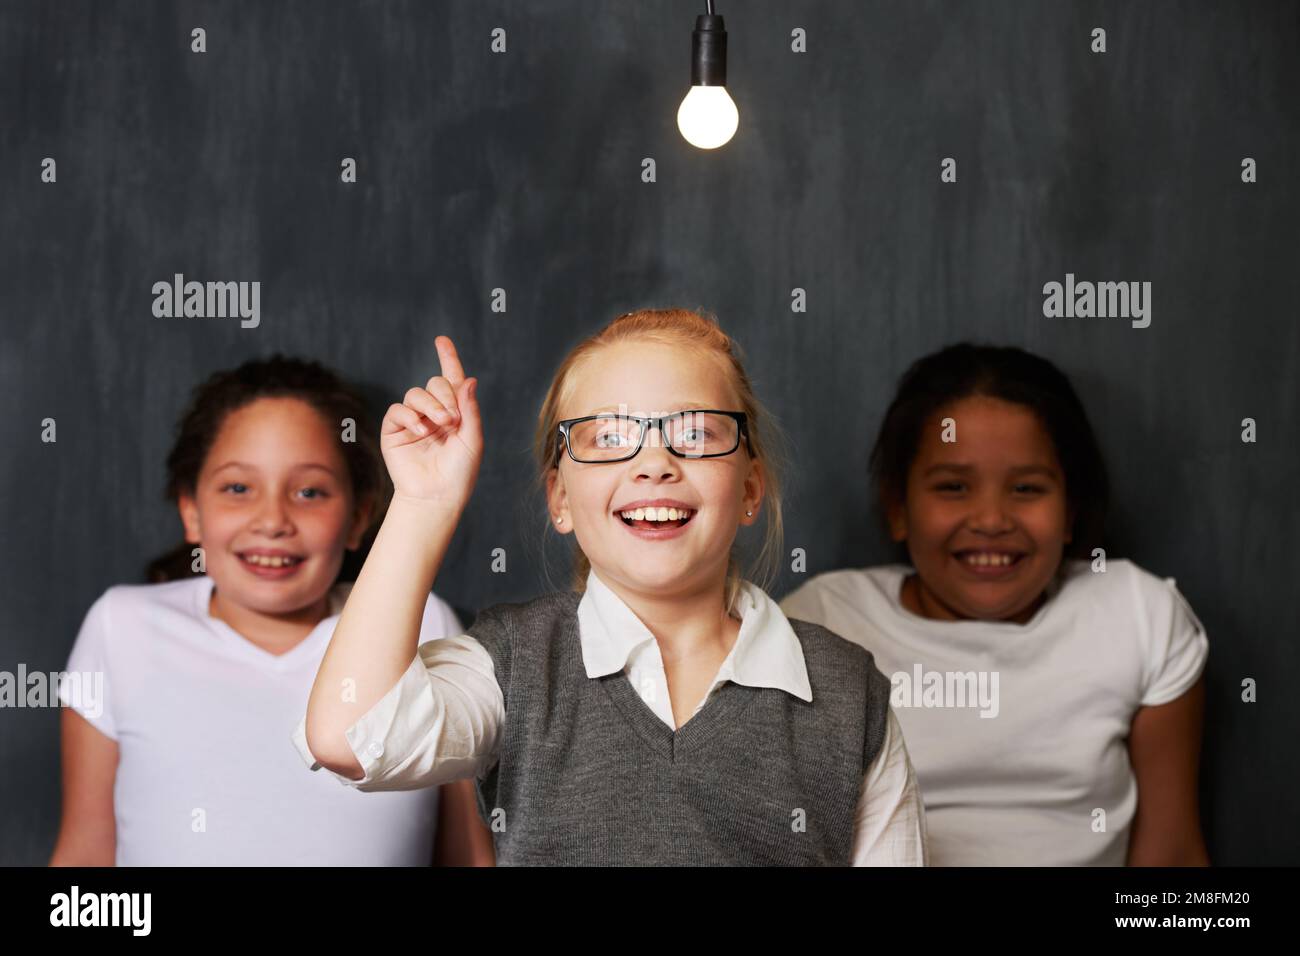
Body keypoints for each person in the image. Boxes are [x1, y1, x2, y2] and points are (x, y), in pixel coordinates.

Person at [297, 309, 927, 865]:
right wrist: (425, 502)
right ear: (561, 498)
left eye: (696, 434)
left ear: (751, 491)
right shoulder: (513, 663)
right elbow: (350, 735)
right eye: (611, 438)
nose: (655, 463)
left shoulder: (849, 694)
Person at [51, 356, 492, 866]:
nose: (273, 521)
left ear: (358, 517)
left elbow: (469, 859)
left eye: (310, 492)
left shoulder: (423, 621)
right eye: (238, 488)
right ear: (191, 511)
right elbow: (82, 859)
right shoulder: (120, 628)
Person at [780, 343, 1209, 866]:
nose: (990, 519)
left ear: (1070, 511)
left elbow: (1172, 854)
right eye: (953, 486)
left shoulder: (1140, 616)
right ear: (898, 509)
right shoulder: (823, 624)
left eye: (1027, 488)